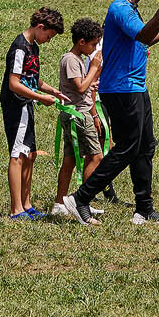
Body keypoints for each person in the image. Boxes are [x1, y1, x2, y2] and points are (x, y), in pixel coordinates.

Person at [52, 0, 159, 225]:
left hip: (136, 86)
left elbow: (148, 35)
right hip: (120, 88)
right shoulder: (119, 8)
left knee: (145, 147)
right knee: (127, 148)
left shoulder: (131, 10)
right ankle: (81, 197)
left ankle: (144, 209)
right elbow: (144, 36)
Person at [0, 6, 65, 220]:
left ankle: (26, 204)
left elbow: (32, 80)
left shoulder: (33, 48)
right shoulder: (20, 48)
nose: (49, 40)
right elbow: (14, 84)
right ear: (40, 27)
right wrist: (40, 98)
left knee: (30, 155)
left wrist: (53, 91)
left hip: (26, 105)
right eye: (49, 35)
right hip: (16, 106)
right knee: (18, 155)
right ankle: (15, 209)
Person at [54, 16, 107, 206]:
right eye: (93, 45)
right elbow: (80, 87)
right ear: (81, 42)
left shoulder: (76, 59)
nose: (94, 49)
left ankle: (60, 203)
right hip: (78, 115)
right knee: (96, 156)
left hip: (74, 113)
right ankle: (81, 202)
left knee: (70, 159)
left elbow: (84, 86)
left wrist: (93, 78)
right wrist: (93, 68)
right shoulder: (71, 60)